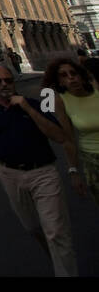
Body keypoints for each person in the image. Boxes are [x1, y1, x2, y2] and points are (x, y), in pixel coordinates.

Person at [0, 64, 76, 276]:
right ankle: (57, 259)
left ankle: (65, 270)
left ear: (14, 81)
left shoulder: (35, 104)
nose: (4, 85)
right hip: (9, 174)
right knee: (33, 227)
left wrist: (27, 108)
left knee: (55, 232)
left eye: (8, 80)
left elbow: (60, 136)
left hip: (43, 172)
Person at [44, 56, 99, 206]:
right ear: (59, 82)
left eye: (73, 73)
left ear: (81, 75)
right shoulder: (61, 101)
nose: (71, 78)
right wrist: (73, 171)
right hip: (93, 162)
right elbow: (68, 139)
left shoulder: (97, 89)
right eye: (64, 76)